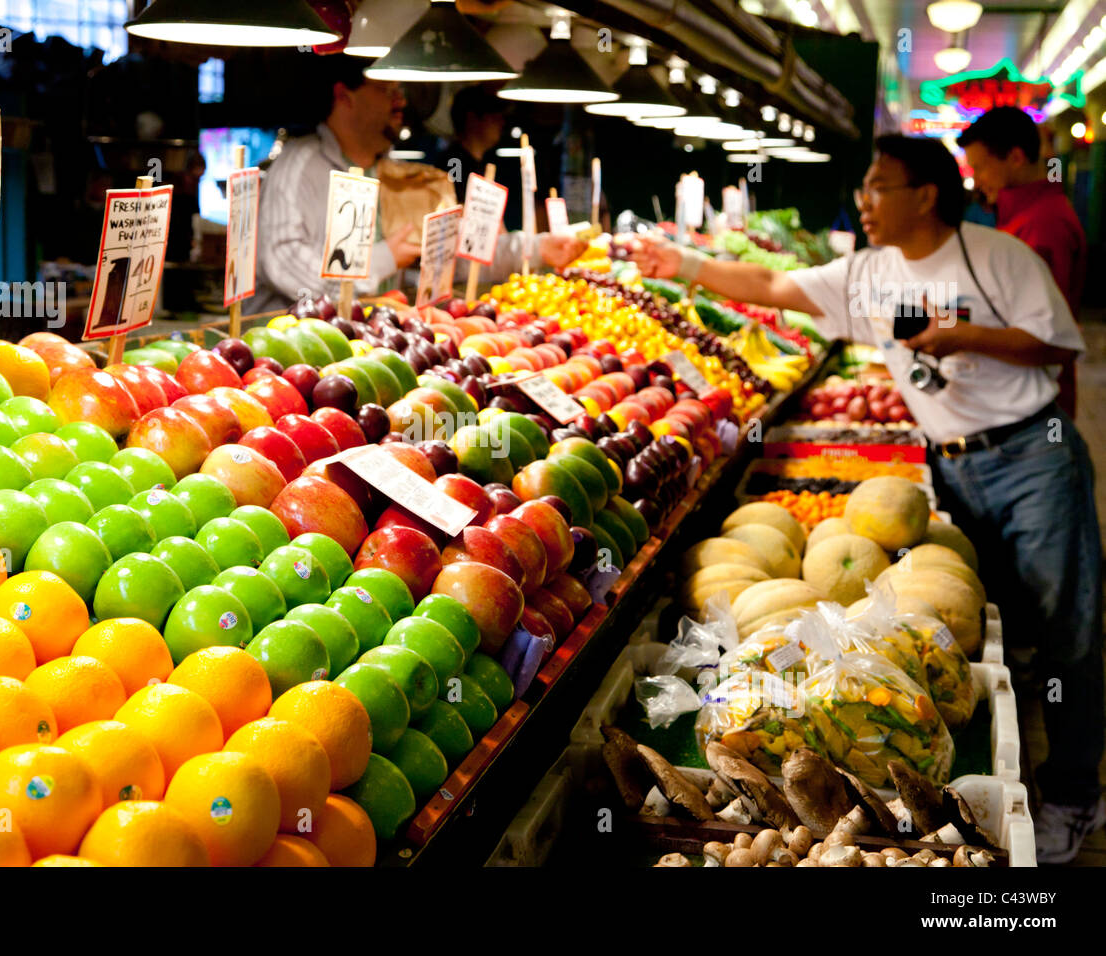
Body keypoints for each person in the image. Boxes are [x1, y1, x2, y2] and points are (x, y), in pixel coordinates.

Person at [632, 134, 1103, 865]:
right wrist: (682, 265)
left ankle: (1074, 795)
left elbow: (1058, 343)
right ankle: (1023, 779)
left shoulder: (999, 254)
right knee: (1002, 625)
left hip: (1029, 455)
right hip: (949, 467)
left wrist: (958, 335)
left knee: (1066, 628)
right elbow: (777, 289)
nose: (864, 201)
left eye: (878, 186)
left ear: (926, 194)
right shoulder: (868, 272)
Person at [252, 57, 581, 314]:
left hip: (374, 344)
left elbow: (458, 256)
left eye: (400, 91)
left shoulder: (405, 179)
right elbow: (283, 261)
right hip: (289, 353)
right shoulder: (298, 166)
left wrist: (538, 248)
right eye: (387, 89)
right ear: (344, 96)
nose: (401, 102)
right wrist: (384, 258)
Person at [959, 106, 1087, 416]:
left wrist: (957, 334)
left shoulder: (1042, 224)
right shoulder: (1021, 216)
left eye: (981, 168)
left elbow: (1045, 336)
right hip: (1017, 393)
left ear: (1016, 158)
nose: (977, 181)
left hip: (1035, 406)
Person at [436, 86, 508, 204]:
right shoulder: (454, 162)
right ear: (472, 119)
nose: (501, 122)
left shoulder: (482, 163)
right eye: (494, 116)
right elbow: (453, 204)